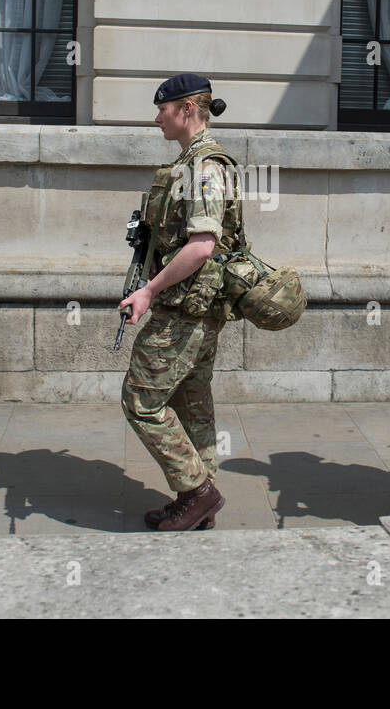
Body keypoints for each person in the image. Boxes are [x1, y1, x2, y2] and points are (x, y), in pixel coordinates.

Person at [118, 74, 241, 532]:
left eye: (163, 109)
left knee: (141, 399)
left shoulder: (203, 168)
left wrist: (148, 291)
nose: (157, 119)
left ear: (187, 109)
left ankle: (197, 492)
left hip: (186, 309)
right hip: (199, 306)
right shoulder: (191, 163)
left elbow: (202, 245)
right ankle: (198, 501)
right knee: (192, 402)